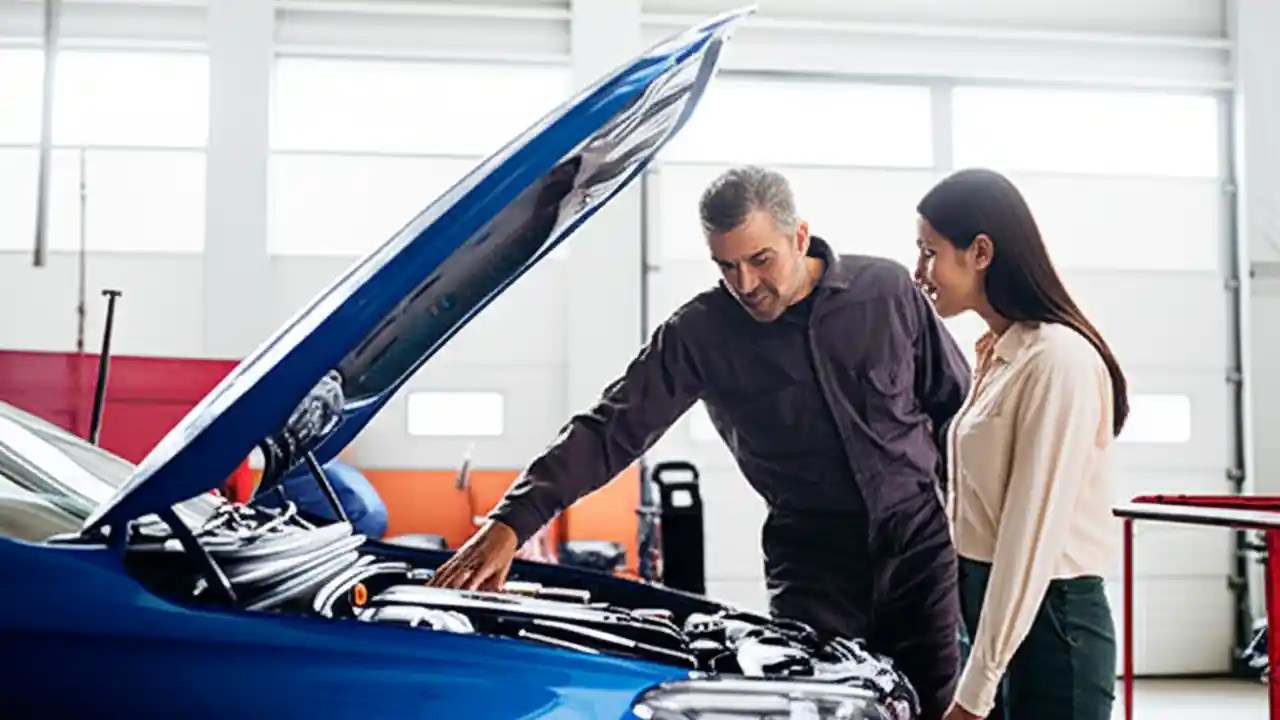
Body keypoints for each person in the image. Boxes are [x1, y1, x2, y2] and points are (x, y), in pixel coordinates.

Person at [430, 165, 971, 719]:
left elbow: (959, 416)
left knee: (937, 707)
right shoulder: (701, 334)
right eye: (726, 266)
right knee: (819, 708)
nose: (745, 285)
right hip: (813, 565)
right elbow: (609, 428)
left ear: (800, 236)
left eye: (761, 260)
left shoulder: (885, 292)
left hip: (919, 551)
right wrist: (511, 522)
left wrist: (982, 544)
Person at [913, 168, 1126, 720]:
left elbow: (1028, 539)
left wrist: (974, 694)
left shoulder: (1056, 361)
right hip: (995, 619)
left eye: (930, 252)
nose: (920, 272)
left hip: (1052, 629)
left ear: (980, 251)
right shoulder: (998, 354)